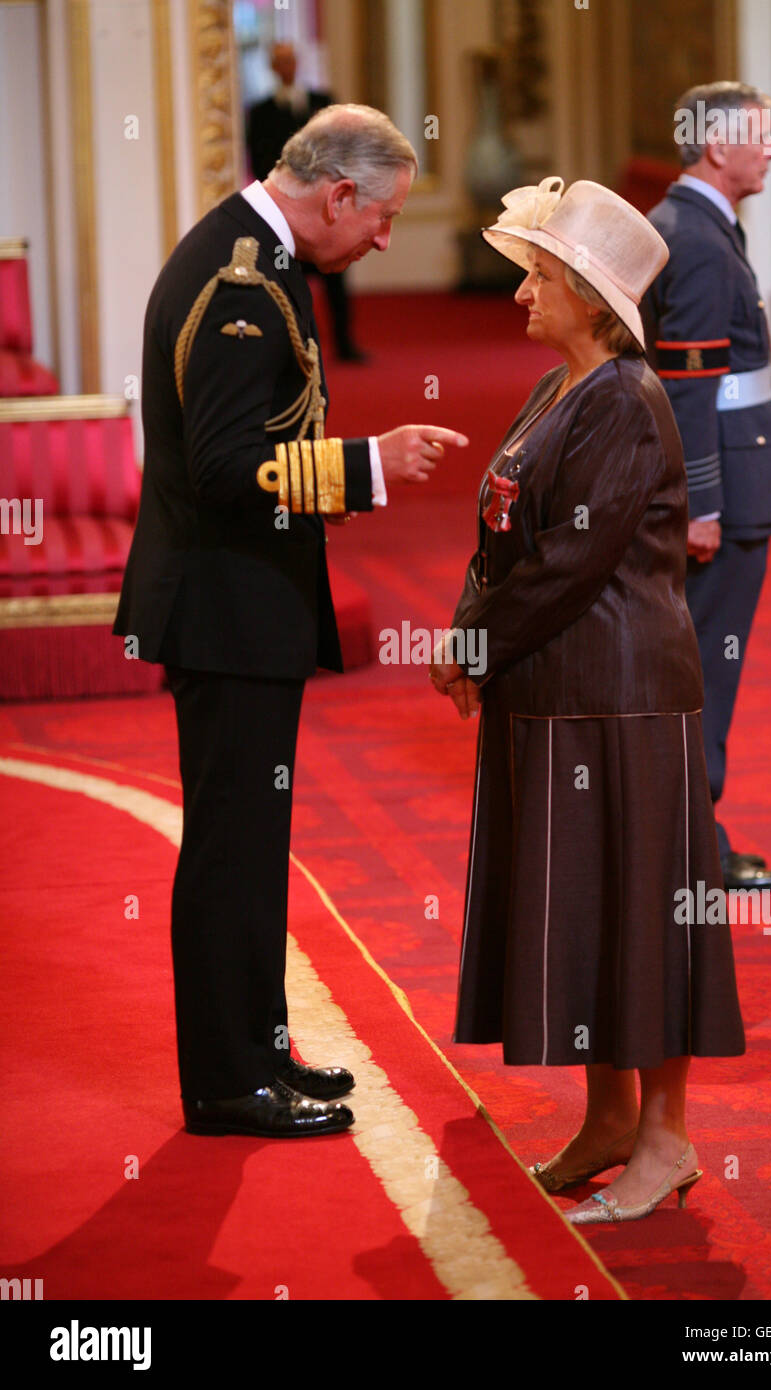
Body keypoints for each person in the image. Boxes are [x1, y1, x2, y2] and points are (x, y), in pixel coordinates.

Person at [114, 104, 468, 1138]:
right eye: (385, 217)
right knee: (233, 845)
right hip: (222, 607)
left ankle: (261, 1048)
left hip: (243, 601)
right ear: (338, 194)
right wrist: (370, 465)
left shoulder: (264, 257)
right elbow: (226, 470)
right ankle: (228, 1081)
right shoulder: (240, 281)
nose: (386, 239)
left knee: (257, 842)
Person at [430, 178, 745, 1224]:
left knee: (635, 912)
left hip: (618, 699)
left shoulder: (625, 396)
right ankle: (608, 1121)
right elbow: (506, 527)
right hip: (556, 690)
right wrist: (473, 625)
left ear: (591, 298)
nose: (522, 291)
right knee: (584, 911)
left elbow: (572, 561)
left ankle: (665, 1141)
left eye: (540, 277)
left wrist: (476, 639)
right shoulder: (557, 386)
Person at [641, 81, 771, 892]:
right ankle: (690, 848)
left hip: (735, 478)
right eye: (759, 136)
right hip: (722, 493)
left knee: (702, 664)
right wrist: (700, 505)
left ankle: (685, 836)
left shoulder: (693, 225)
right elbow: (690, 384)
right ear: (714, 146)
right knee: (704, 668)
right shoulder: (696, 238)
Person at [247, 42, 366, 362]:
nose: (286, 67)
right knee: (287, 281)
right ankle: (294, 349)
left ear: (297, 63)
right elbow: (260, 163)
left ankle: (344, 344)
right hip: (286, 215)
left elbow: (342, 151)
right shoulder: (260, 113)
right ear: (273, 68)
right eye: (280, 62)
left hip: (327, 211)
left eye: (290, 60)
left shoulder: (323, 104)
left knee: (337, 280)